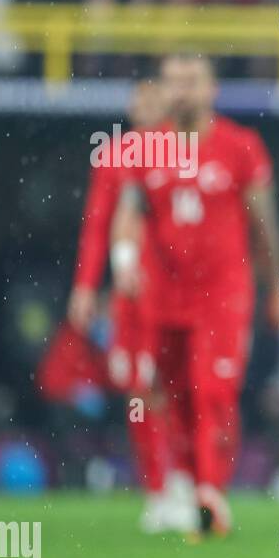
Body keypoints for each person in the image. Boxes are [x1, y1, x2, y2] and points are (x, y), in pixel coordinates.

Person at [113, 54, 279, 536]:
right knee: (171, 395)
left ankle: (212, 489)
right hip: (164, 296)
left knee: (212, 390)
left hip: (223, 295)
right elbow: (129, 213)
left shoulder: (240, 146)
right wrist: (125, 262)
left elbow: (263, 224)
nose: (181, 91)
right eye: (173, 81)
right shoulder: (143, 149)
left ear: (212, 89)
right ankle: (188, 484)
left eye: (191, 81)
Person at [68, 79, 187, 532]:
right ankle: (158, 487)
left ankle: (182, 480)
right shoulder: (116, 155)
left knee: (175, 386)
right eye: (139, 98)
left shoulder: (184, 152)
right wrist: (85, 285)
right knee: (139, 385)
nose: (145, 106)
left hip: (177, 293)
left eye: (155, 97)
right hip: (134, 296)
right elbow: (98, 225)